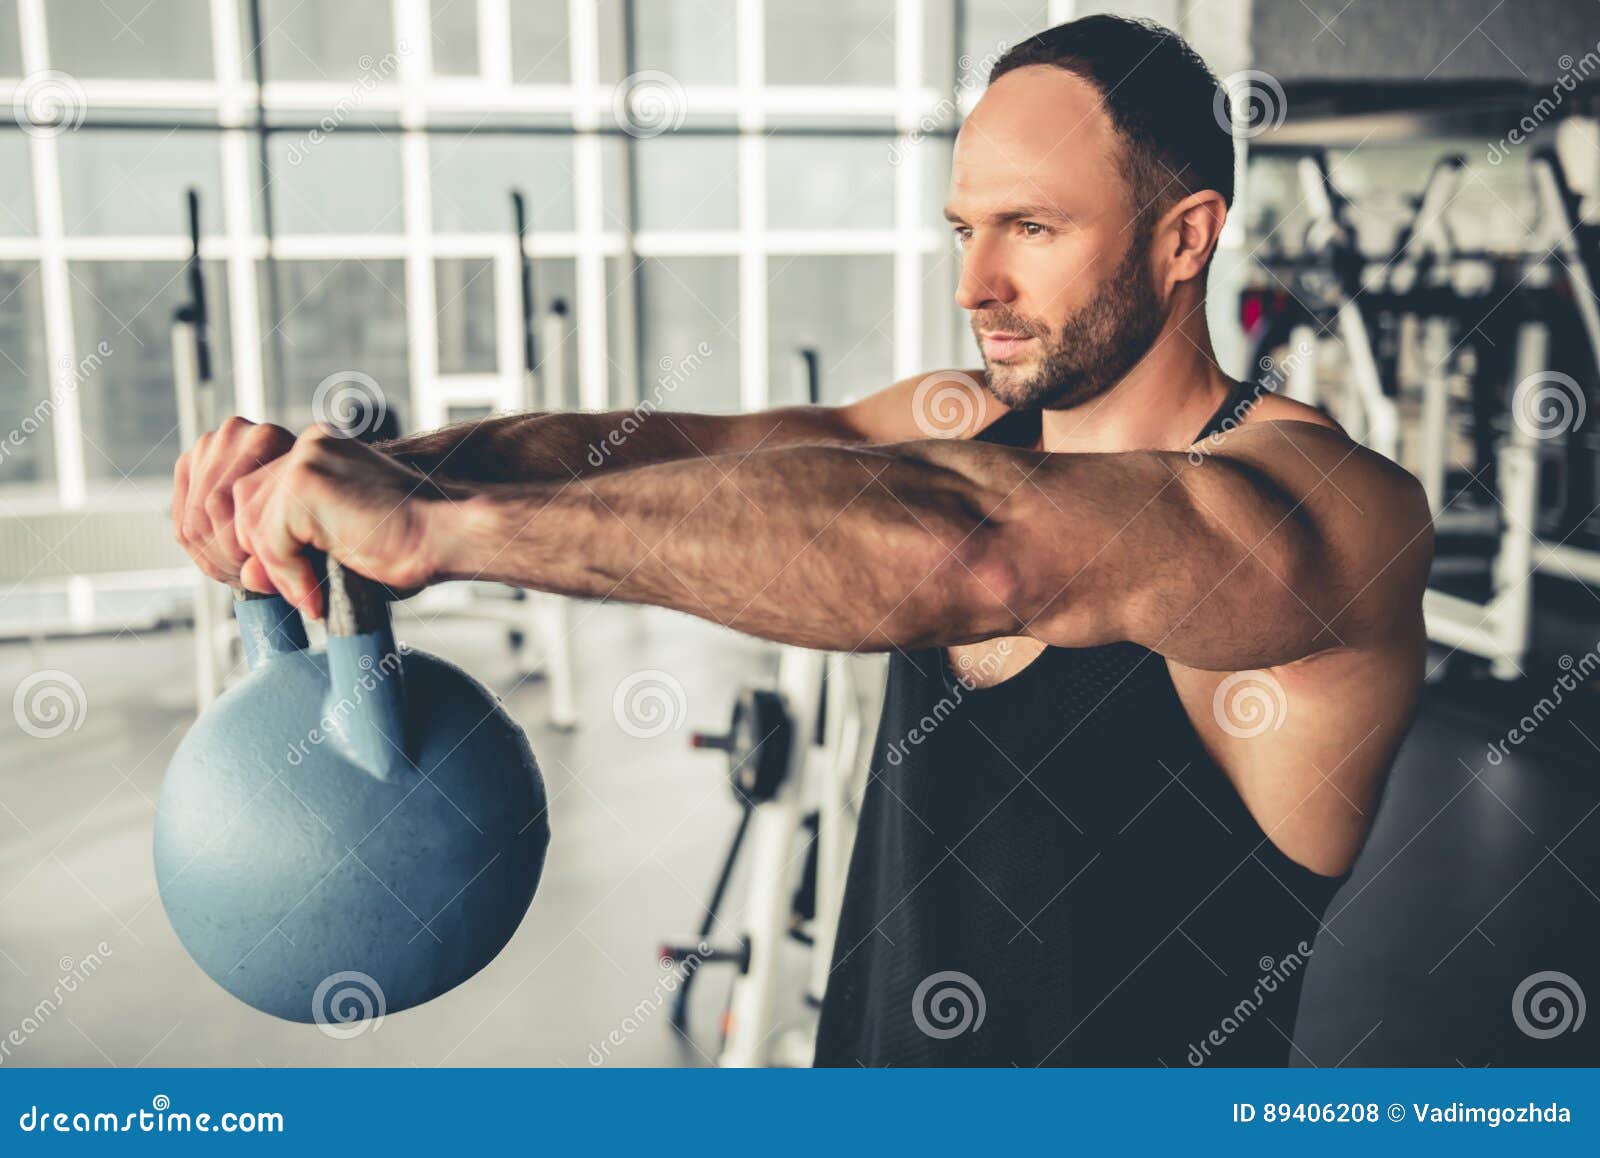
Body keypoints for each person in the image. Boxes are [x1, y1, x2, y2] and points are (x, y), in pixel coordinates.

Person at [171, 15, 1433, 1066]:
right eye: (965, 229)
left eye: (1032, 228)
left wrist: (441, 531)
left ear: (1184, 236)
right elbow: (673, 451)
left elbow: (984, 552)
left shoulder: (1331, 510)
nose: (974, 285)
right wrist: (389, 471)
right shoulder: (960, 421)